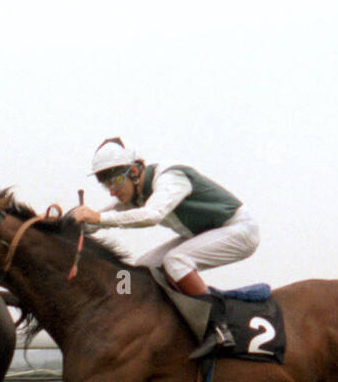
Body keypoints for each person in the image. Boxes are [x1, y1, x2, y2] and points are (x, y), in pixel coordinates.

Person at [73, 138, 259, 352]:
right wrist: (60, 222)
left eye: (115, 181)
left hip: (240, 229)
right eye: (106, 185)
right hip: (208, 232)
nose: (112, 191)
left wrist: (97, 218)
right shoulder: (137, 191)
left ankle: (217, 329)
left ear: (133, 171)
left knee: (176, 260)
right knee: (141, 266)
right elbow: (98, 219)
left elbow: (151, 215)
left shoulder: (171, 177)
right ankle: (123, 306)